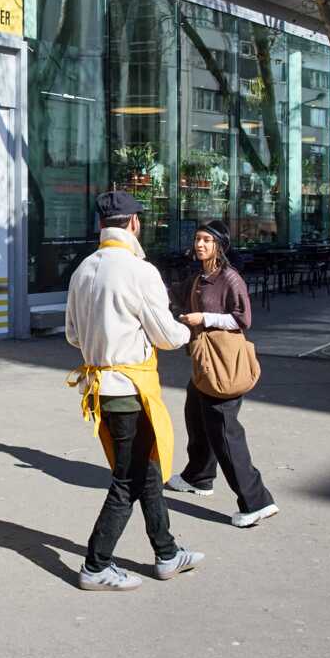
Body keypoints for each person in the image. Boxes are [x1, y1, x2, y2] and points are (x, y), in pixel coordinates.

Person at [66, 191, 202, 592]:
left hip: (99, 386)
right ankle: (95, 565)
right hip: (131, 388)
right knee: (128, 479)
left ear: (100, 226)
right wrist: (187, 329)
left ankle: (166, 552)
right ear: (134, 224)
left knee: (147, 472)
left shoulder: (83, 270)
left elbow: (74, 335)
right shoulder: (140, 271)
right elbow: (166, 336)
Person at [167, 221, 278, 528]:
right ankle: (199, 477)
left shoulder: (230, 279)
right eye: (197, 239)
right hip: (205, 363)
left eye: (206, 240)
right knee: (196, 414)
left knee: (225, 432)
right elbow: (171, 294)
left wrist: (204, 317)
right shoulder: (198, 277)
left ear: (220, 245)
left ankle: (257, 501)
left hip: (224, 364)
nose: (200, 244)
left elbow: (243, 319)